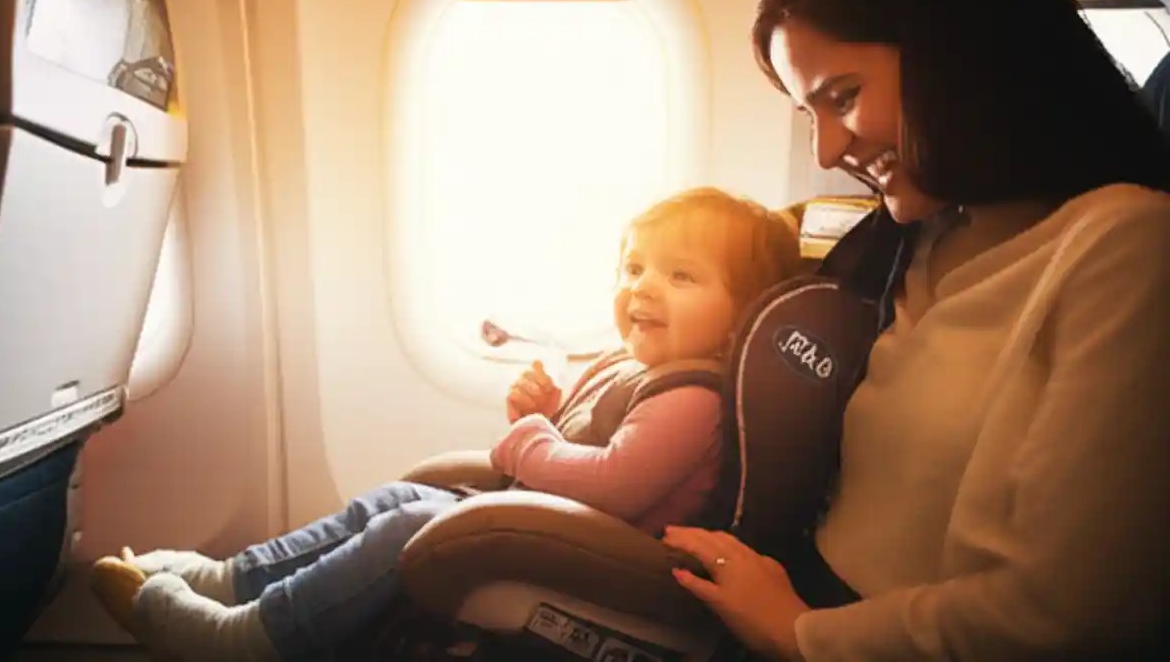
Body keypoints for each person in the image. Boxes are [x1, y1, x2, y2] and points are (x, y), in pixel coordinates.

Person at [662, 0, 1170, 660]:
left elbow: (1066, 612)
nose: (828, 149)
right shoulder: (915, 239)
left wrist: (792, 631)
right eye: (809, 112)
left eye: (843, 97)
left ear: (959, 53)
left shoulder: (1124, 245)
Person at [89, 187, 800, 661]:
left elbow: (612, 486)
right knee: (399, 502)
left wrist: (527, 439)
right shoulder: (635, 368)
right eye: (634, 266)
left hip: (614, 564)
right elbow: (584, 452)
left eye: (680, 276)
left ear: (738, 313)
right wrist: (544, 417)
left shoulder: (693, 399)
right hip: (571, 527)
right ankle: (235, 578)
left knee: (410, 528)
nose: (641, 286)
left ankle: (247, 639)